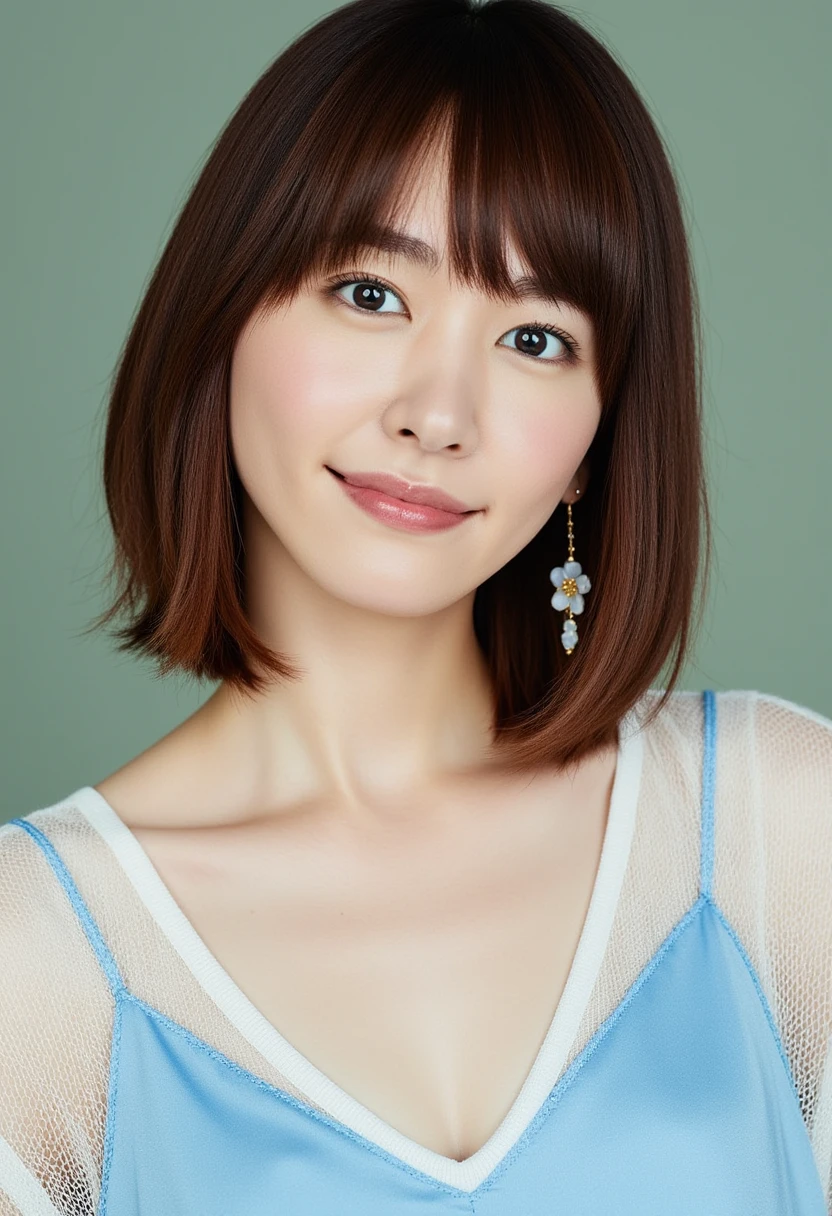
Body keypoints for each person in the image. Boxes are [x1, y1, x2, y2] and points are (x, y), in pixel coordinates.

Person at [1, 0, 830, 1211]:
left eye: (536, 337)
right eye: (371, 294)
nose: (438, 412)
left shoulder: (769, 830)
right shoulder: (43, 961)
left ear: (597, 440)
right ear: (225, 310)